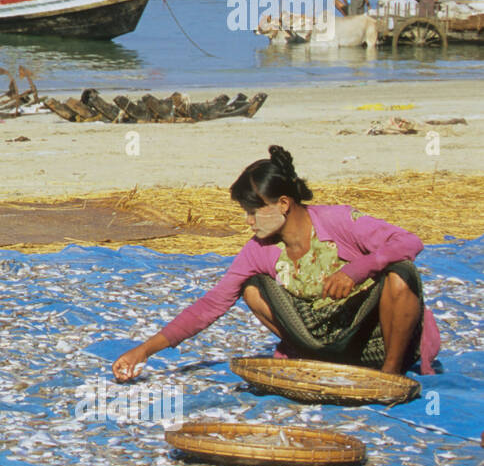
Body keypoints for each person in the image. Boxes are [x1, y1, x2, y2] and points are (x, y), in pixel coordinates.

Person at [112, 146, 439, 383]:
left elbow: (410, 243)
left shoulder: (337, 221)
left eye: (254, 211)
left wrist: (357, 269)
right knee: (253, 288)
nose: (249, 221)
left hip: (376, 343)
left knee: (402, 273)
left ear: (283, 204)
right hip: (326, 347)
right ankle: (314, 360)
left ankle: (390, 377)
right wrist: (144, 350)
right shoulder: (258, 250)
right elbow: (210, 305)